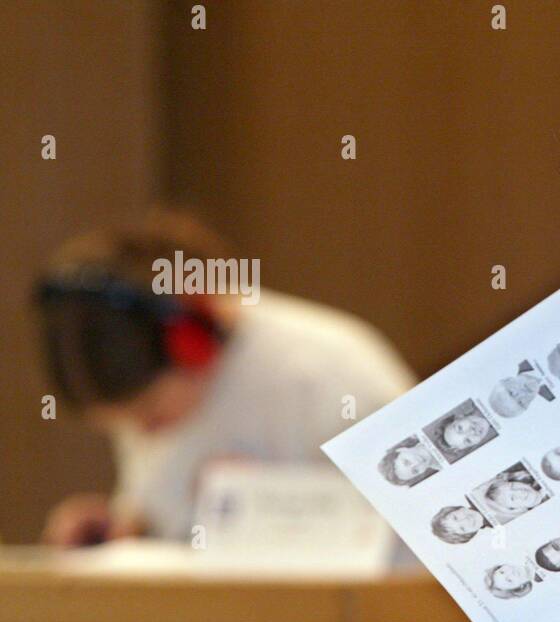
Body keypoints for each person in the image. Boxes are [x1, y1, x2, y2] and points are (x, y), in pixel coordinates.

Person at [34, 209, 415, 545]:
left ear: (195, 342)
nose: (144, 434)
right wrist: (121, 528)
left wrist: (268, 511)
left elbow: (413, 528)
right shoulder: (144, 376)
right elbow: (167, 515)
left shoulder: (333, 368)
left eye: (151, 415)